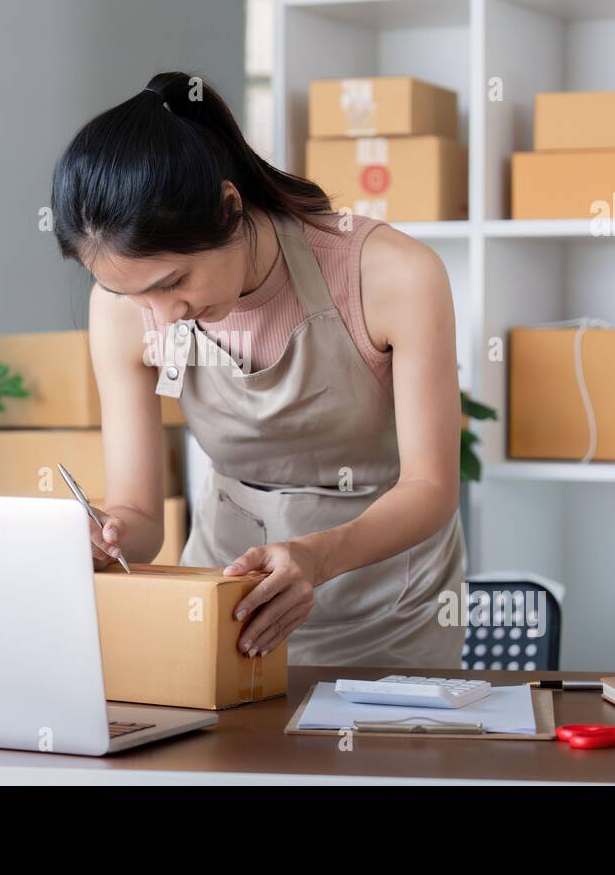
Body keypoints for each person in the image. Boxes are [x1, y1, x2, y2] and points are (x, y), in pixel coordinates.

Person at [49, 71, 465, 668]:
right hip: (224, 598)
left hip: (386, 610)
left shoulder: (391, 274)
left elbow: (432, 489)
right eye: (137, 297)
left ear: (229, 205)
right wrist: (104, 535)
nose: (164, 315)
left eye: (174, 282)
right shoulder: (120, 310)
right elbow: (141, 517)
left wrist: (316, 557)